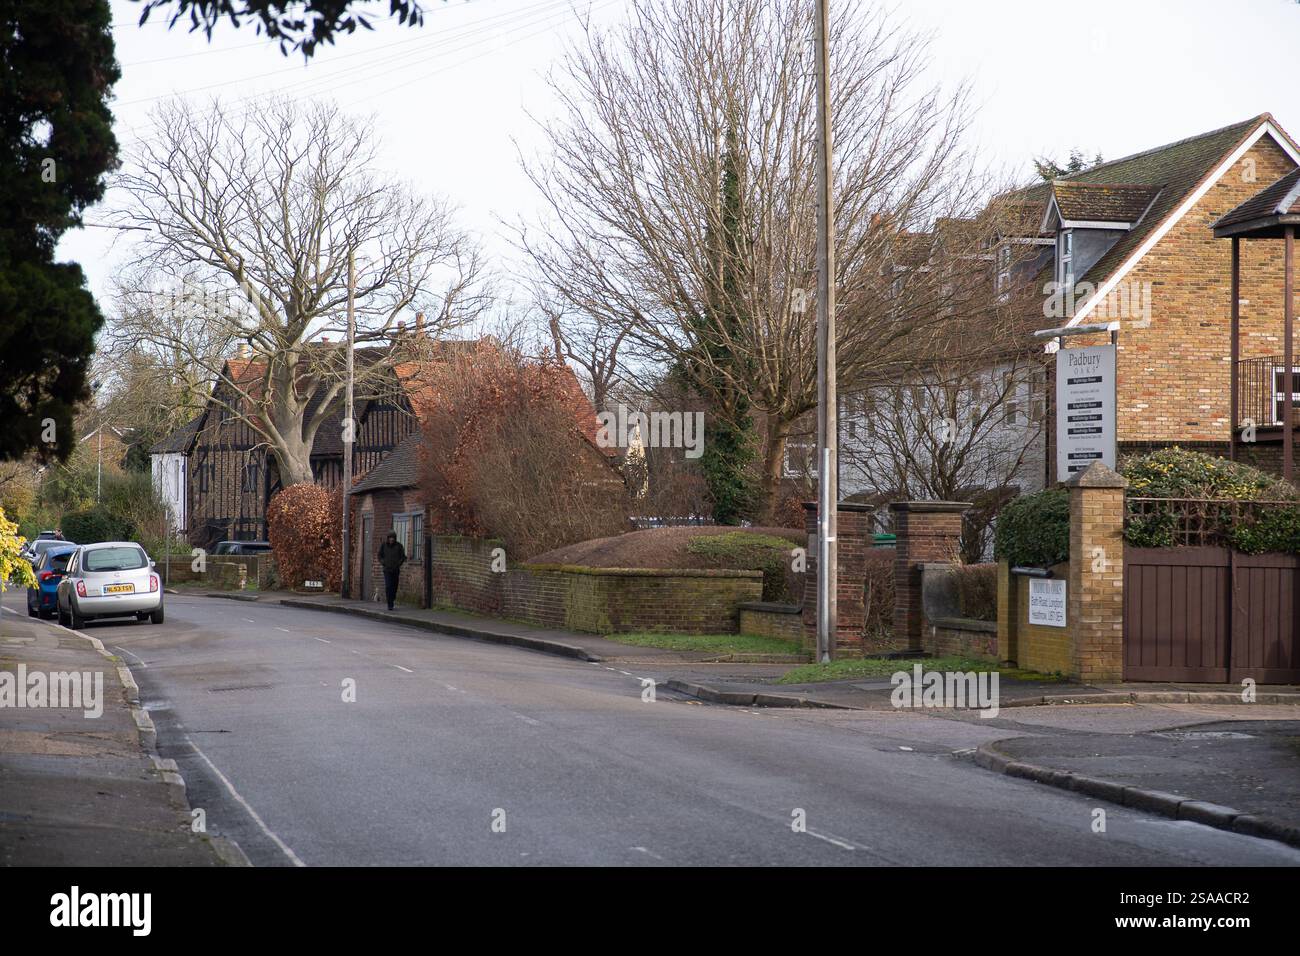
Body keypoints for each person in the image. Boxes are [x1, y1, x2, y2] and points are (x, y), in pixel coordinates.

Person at [377, 531, 406, 611]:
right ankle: (390, 603)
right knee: (388, 586)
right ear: (388, 538)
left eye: (393, 538)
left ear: (395, 538)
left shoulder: (399, 546)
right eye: (390, 538)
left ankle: (392, 598)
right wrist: (383, 562)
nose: (391, 539)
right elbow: (379, 555)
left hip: (395, 569)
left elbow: (403, 557)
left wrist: (398, 564)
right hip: (387, 569)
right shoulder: (384, 546)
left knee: (394, 586)